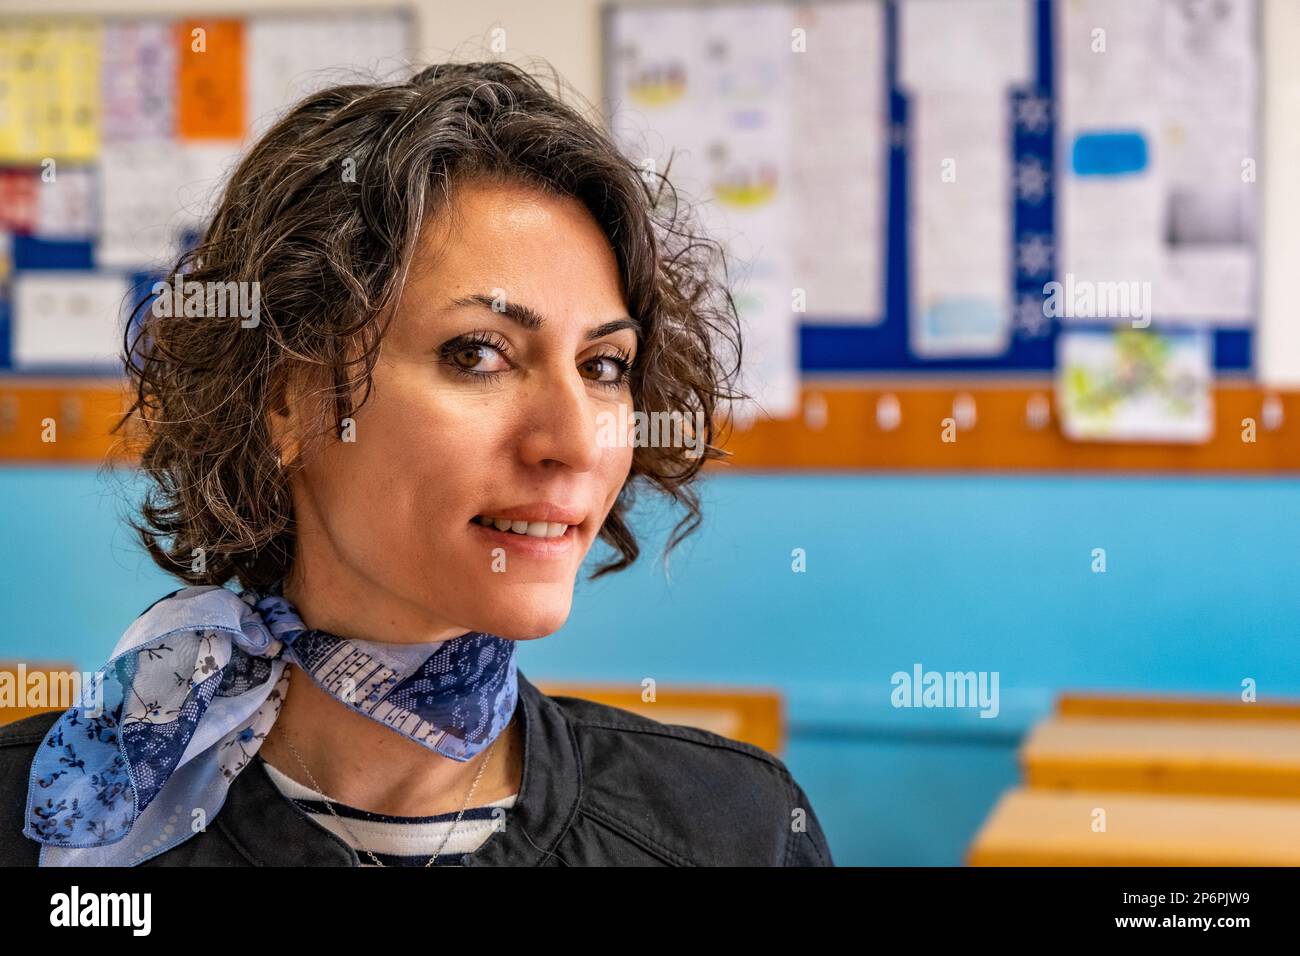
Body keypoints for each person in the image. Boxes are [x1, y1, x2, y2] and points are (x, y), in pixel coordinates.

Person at [0, 60, 833, 867]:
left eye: (604, 366)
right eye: (479, 354)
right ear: (287, 400)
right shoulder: (41, 816)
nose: (578, 442)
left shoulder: (739, 832)